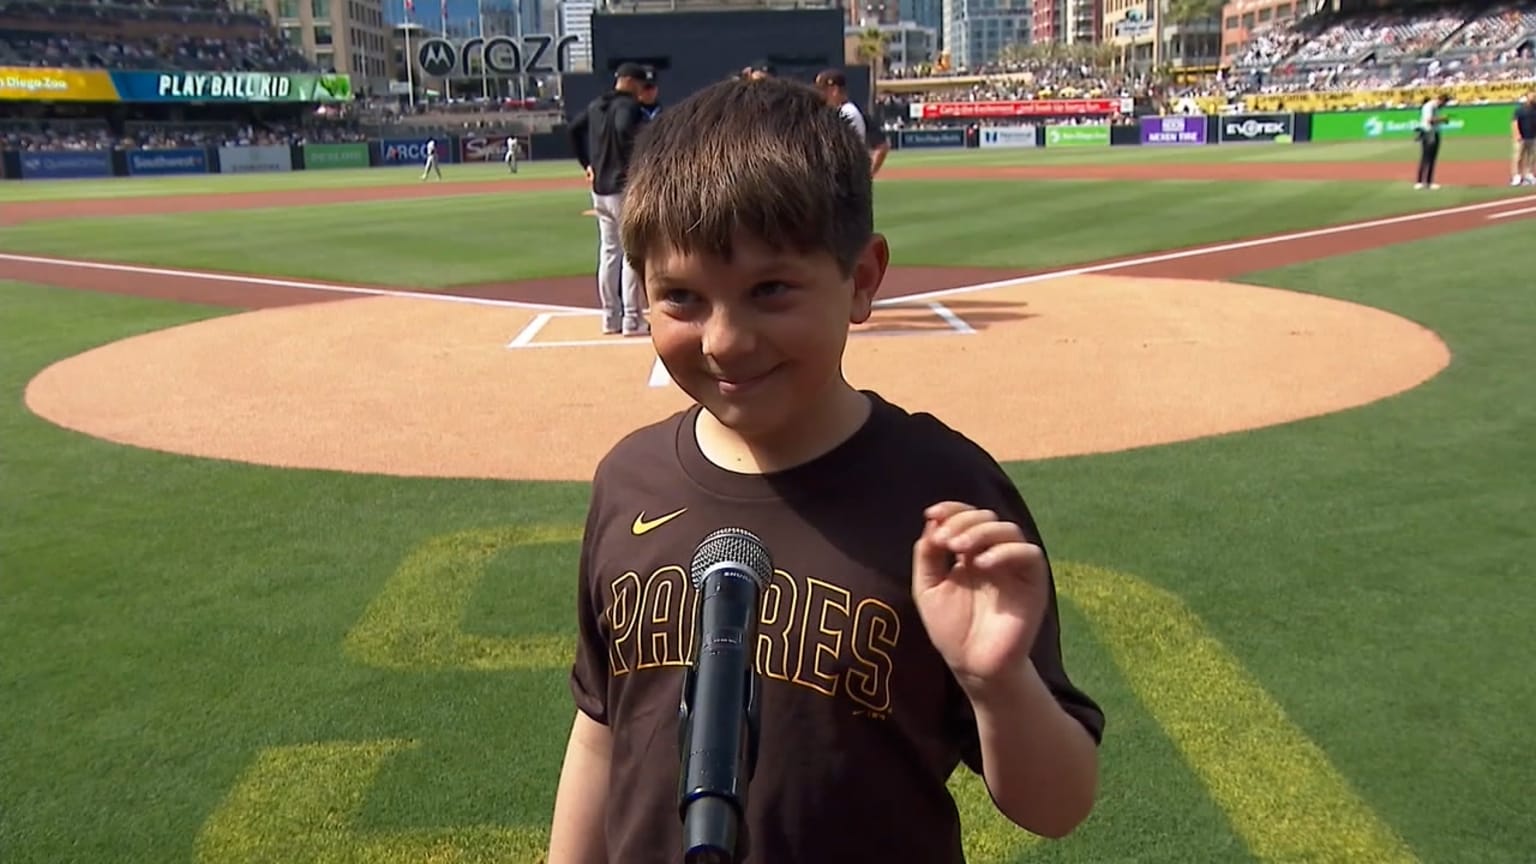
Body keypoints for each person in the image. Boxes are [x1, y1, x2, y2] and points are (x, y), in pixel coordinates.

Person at [546, 77, 1104, 864]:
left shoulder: (941, 495)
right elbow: (603, 730)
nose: (725, 340)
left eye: (770, 290)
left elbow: (1057, 805)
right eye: (681, 298)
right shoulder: (628, 481)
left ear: (863, 280)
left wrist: (998, 683)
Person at [568, 62, 658, 336]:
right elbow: (622, 130)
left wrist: (587, 162)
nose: (643, 88)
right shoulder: (628, 107)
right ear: (629, 81)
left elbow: (574, 129)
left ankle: (610, 316)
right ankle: (632, 318)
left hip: (600, 189)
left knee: (609, 252)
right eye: (641, 83)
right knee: (632, 253)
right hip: (622, 186)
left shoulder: (597, 105)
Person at [814, 68, 891, 177]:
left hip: (843, 182)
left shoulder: (847, 113)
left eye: (822, 90)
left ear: (834, 90)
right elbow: (882, 146)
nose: (820, 95)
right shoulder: (852, 110)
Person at [1414, 93, 1450, 190]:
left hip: (1435, 133)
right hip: (1428, 133)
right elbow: (1429, 120)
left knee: (1432, 158)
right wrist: (1443, 119)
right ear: (1441, 100)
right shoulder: (1429, 106)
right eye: (1444, 103)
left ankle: (1429, 182)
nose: (1444, 106)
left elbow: (1435, 120)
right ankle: (1419, 181)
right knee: (1425, 158)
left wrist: (1442, 120)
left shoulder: (1436, 108)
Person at [1511, 91, 1536, 187]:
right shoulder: (1520, 110)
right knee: (1518, 157)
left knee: (1531, 157)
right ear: (1526, 97)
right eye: (1532, 96)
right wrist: (1517, 134)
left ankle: (1528, 174)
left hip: (1532, 137)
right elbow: (1514, 122)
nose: (1533, 97)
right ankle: (1516, 176)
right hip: (1521, 137)